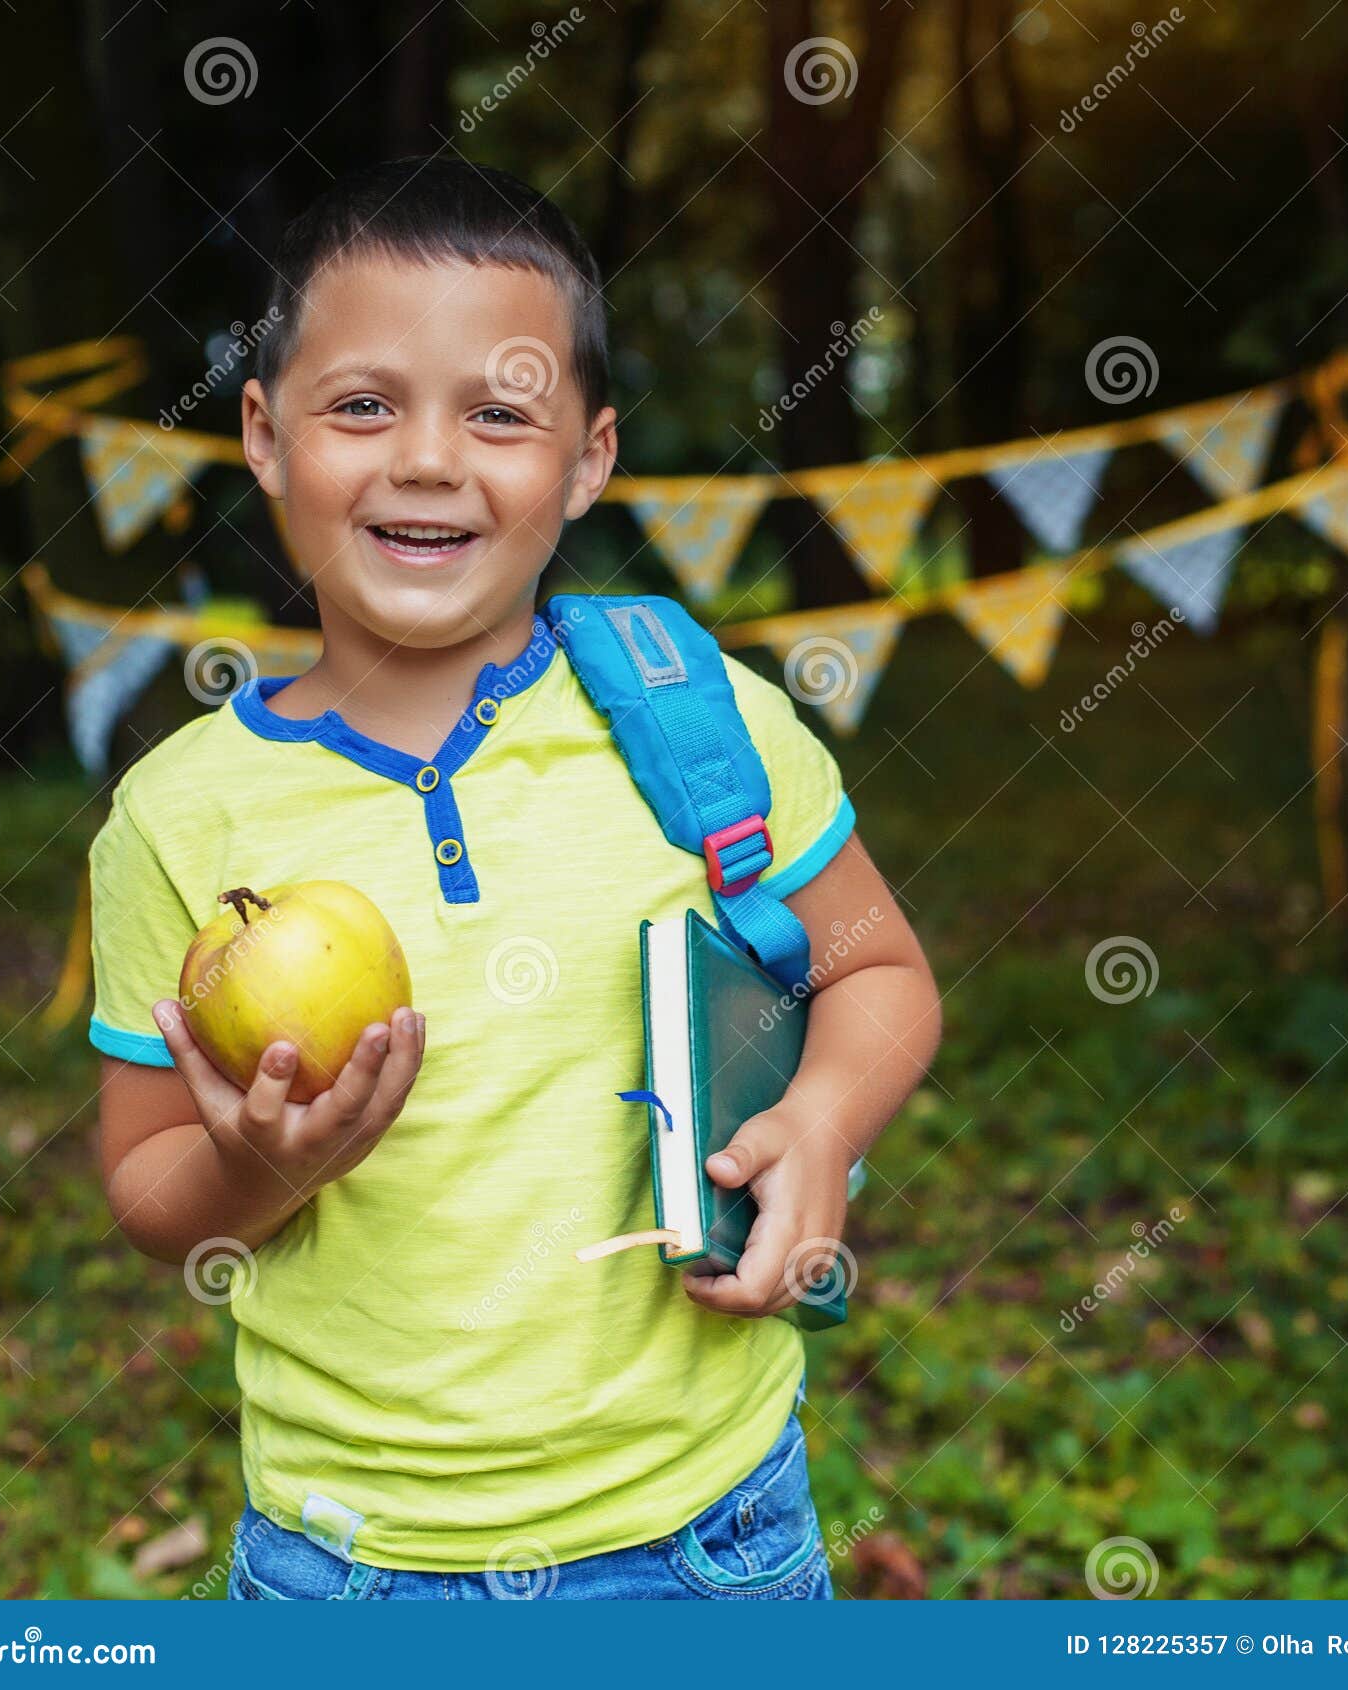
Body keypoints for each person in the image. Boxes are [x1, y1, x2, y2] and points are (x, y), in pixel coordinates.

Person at [90, 155, 942, 1600]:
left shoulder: (699, 717)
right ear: (264, 432)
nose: (429, 459)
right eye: (363, 404)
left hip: (705, 1535)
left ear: (591, 458)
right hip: (347, 1563)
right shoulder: (180, 817)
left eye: (499, 411)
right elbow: (147, 1176)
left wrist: (819, 1113)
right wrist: (260, 1165)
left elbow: (880, 969)